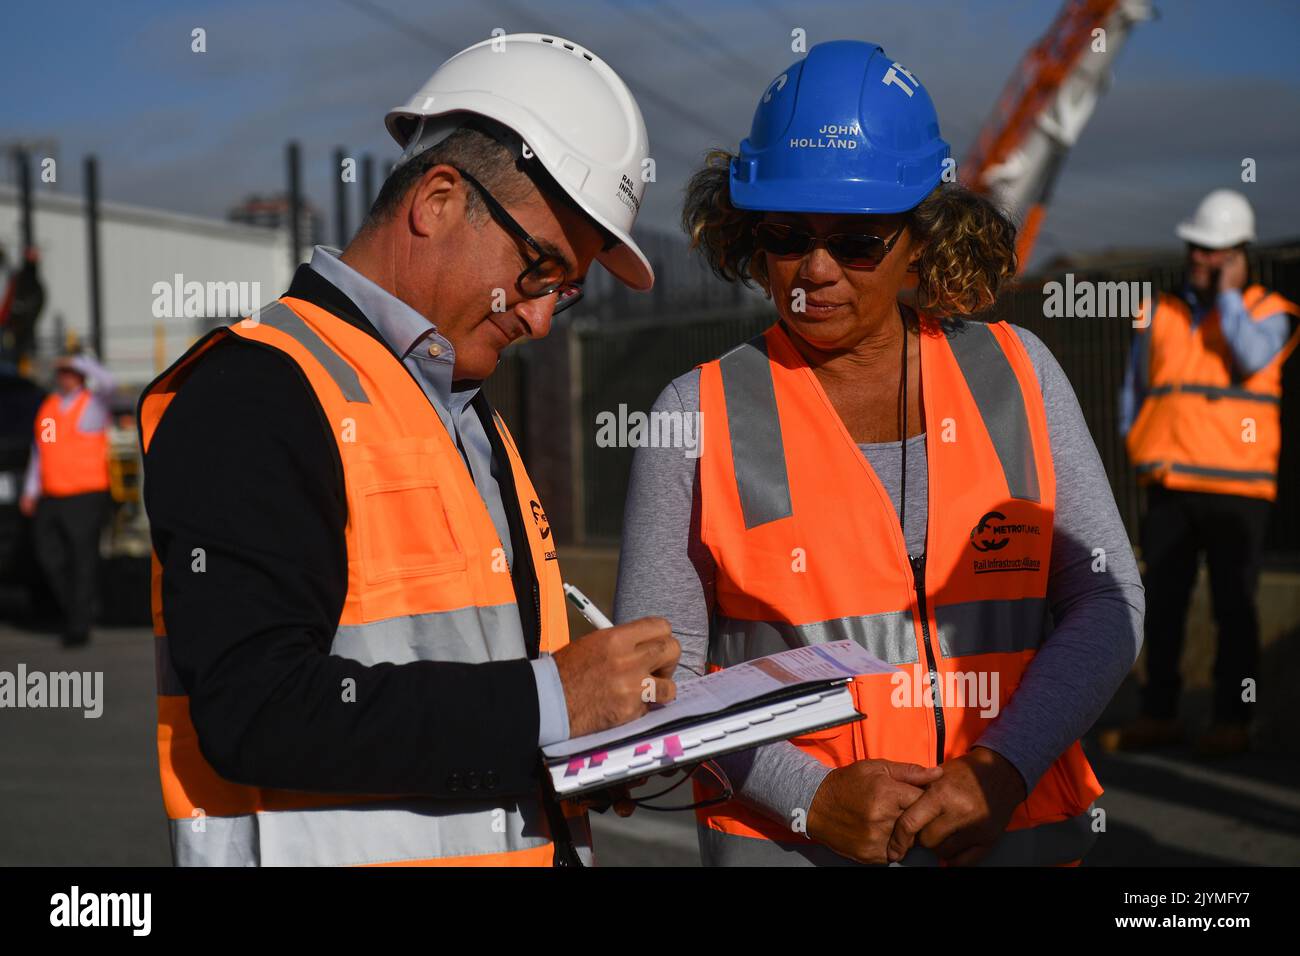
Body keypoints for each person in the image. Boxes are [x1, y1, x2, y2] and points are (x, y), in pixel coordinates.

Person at [139, 34, 678, 867]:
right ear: (436, 199)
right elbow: (256, 708)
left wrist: (577, 752)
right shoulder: (257, 392)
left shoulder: (464, 414)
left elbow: (476, 695)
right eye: (538, 270)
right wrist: (555, 702)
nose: (540, 318)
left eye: (564, 294)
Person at [615, 40, 1144, 866]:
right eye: (788, 236)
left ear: (920, 239)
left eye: (858, 241)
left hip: (1016, 838)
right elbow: (658, 678)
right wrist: (810, 798)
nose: (816, 271)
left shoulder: (1020, 377)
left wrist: (1003, 768)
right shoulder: (694, 417)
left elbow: (1108, 604)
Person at [1104, 189, 1299, 756]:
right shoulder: (1160, 311)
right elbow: (1132, 389)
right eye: (1197, 247)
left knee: (1233, 606)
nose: (1201, 258)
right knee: (1163, 604)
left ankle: (1232, 720)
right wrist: (1137, 444)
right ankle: (1159, 714)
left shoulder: (1271, 313)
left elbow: (1249, 357)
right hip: (1169, 482)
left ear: (1239, 255)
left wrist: (1229, 297)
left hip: (1239, 488)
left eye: (1215, 251)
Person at [20, 352, 115, 647]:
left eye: (71, 372)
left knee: (81, 559)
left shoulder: (92, 407)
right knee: (49, 556)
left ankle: (78, 625)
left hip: (85, 494)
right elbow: (41, 452)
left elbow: (110, 385)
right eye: (62, 372)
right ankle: (78, 607)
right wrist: (30, 490)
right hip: (52, 494)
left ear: (80, 375)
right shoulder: (49, 408)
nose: (65, 377)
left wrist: (81, 361)